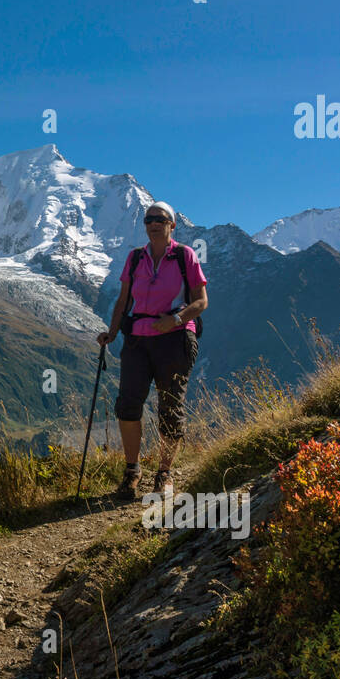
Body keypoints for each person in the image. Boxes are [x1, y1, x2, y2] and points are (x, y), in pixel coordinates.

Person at [96, 201, 208, 498]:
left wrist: (176, 318)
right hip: (137, 339)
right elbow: (123, 301)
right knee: (128, 404)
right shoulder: (134, 259)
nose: (153, 224)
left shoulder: (185, 256)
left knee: (170, 406)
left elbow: (201, 301)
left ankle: (165, 473)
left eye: (160, 219)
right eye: (148, 220)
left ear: (173, 224)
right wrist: (112, 331)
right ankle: (132, 471)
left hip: (176, 338)